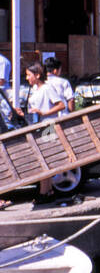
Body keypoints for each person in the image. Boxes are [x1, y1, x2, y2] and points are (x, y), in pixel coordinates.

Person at [18, 62, 69, 203]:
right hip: (39, 126)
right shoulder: (35, 90)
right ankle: (46, 191)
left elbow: (61, 105)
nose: (27, 78)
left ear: (37, 75)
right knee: (43, 160)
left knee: (45, 159)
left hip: (48, 126)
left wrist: (44, 113)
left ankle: (44, 192)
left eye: (29, 75)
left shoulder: (47, 88)